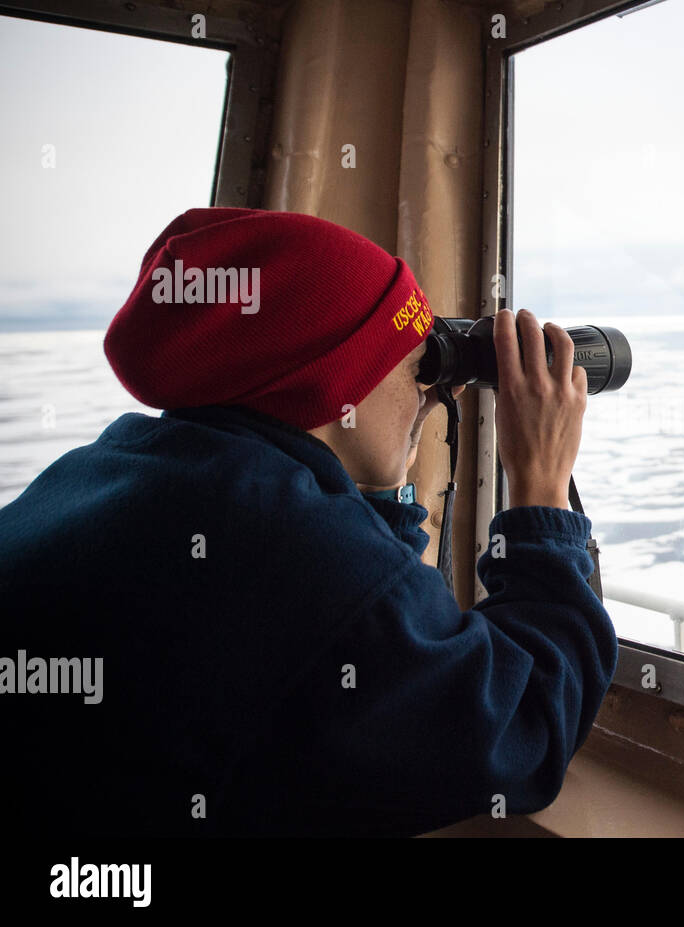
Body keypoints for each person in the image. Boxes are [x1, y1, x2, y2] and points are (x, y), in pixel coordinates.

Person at [0, 207, 618, 836]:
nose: (439, 394)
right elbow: (525, 728)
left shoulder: (95, 473)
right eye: (420, 367)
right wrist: (541, 489)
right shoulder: (309, 566)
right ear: (334, 387)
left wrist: (375, 482)